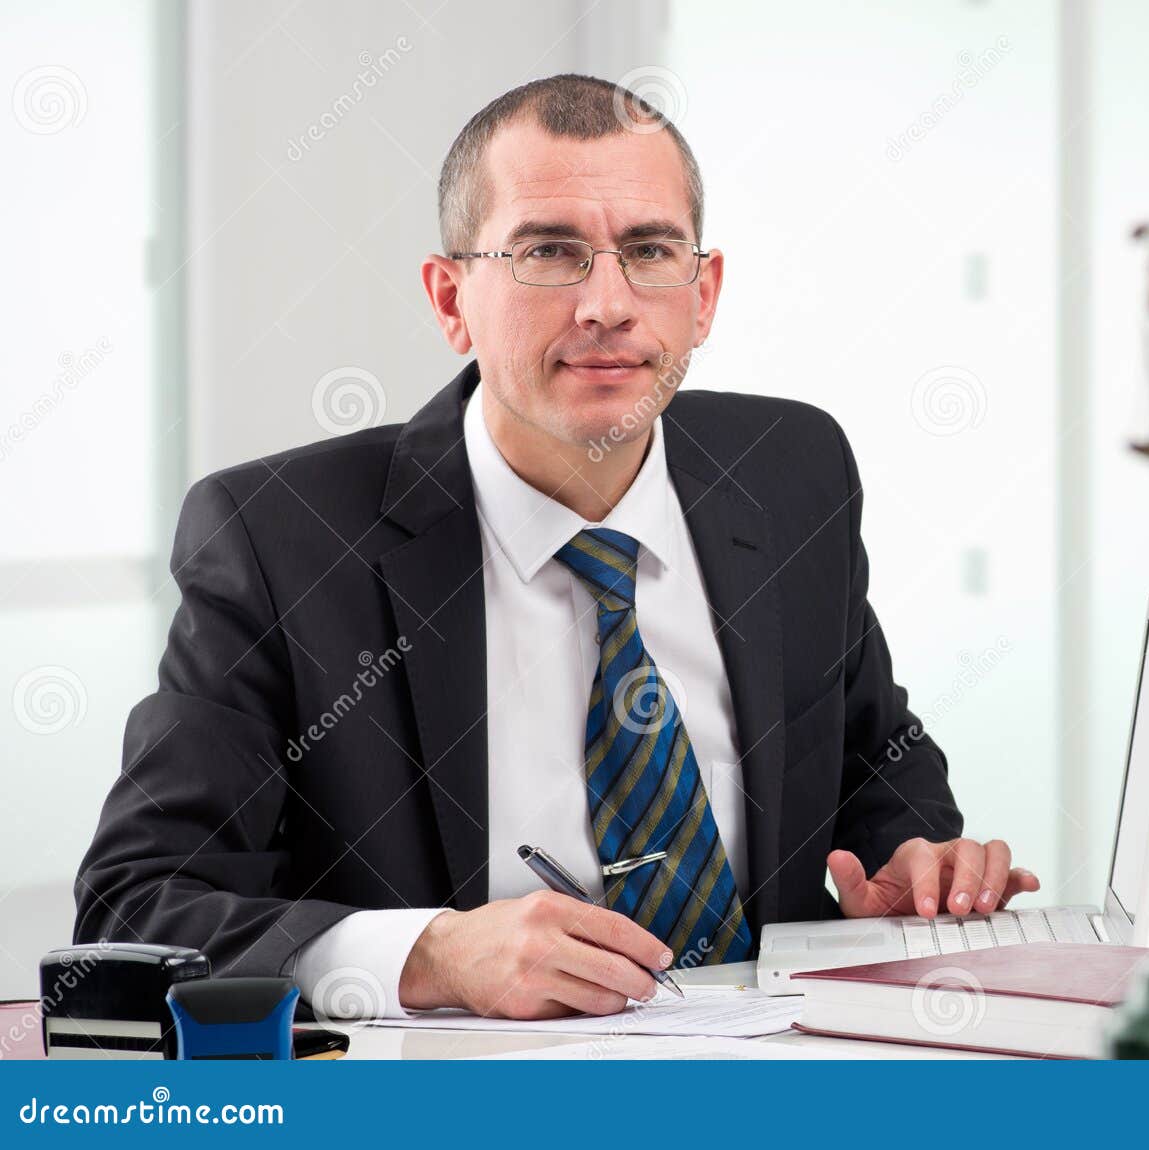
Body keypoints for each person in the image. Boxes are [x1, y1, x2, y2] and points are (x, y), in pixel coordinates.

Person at [75, 74, 1039, 1020]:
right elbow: (133, 907)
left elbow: (875, 768)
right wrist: (429, 956)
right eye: (549, 252)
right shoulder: (282, 538)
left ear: (703, 295)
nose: (609, 305)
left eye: (651, 250)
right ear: (450, 299)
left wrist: (913, 870)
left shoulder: (794, 473)